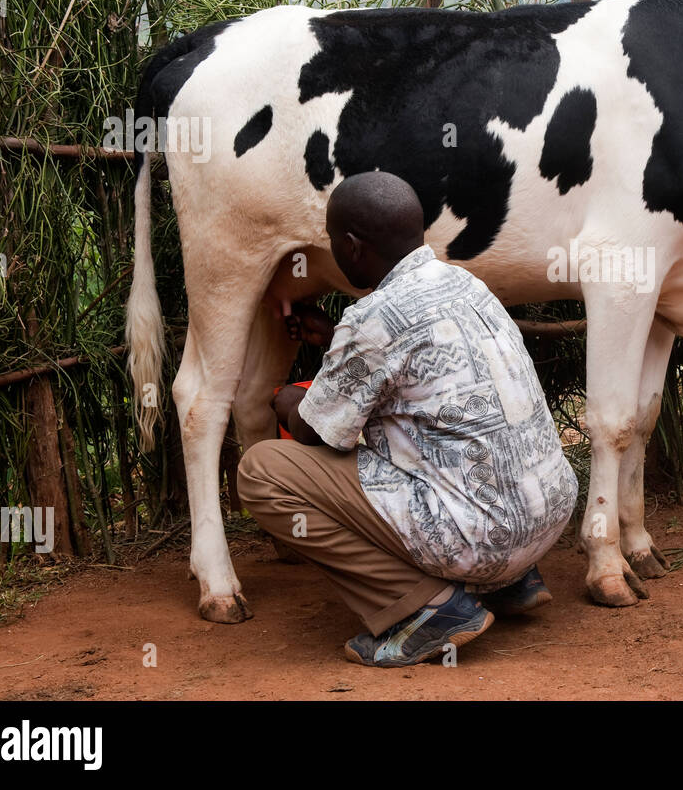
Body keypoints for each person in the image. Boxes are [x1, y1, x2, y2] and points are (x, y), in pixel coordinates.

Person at [237, 172, 578, 668]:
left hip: (481, 537)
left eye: (334, 242)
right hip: (545, 515)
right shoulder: (466, 283)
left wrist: (289, 396)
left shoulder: (373, 320)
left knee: (263, 470)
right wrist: (337, 341)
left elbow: (314, 429)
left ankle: (429, 611)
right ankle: (510, 583)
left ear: (352, 246)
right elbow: (418, 375)